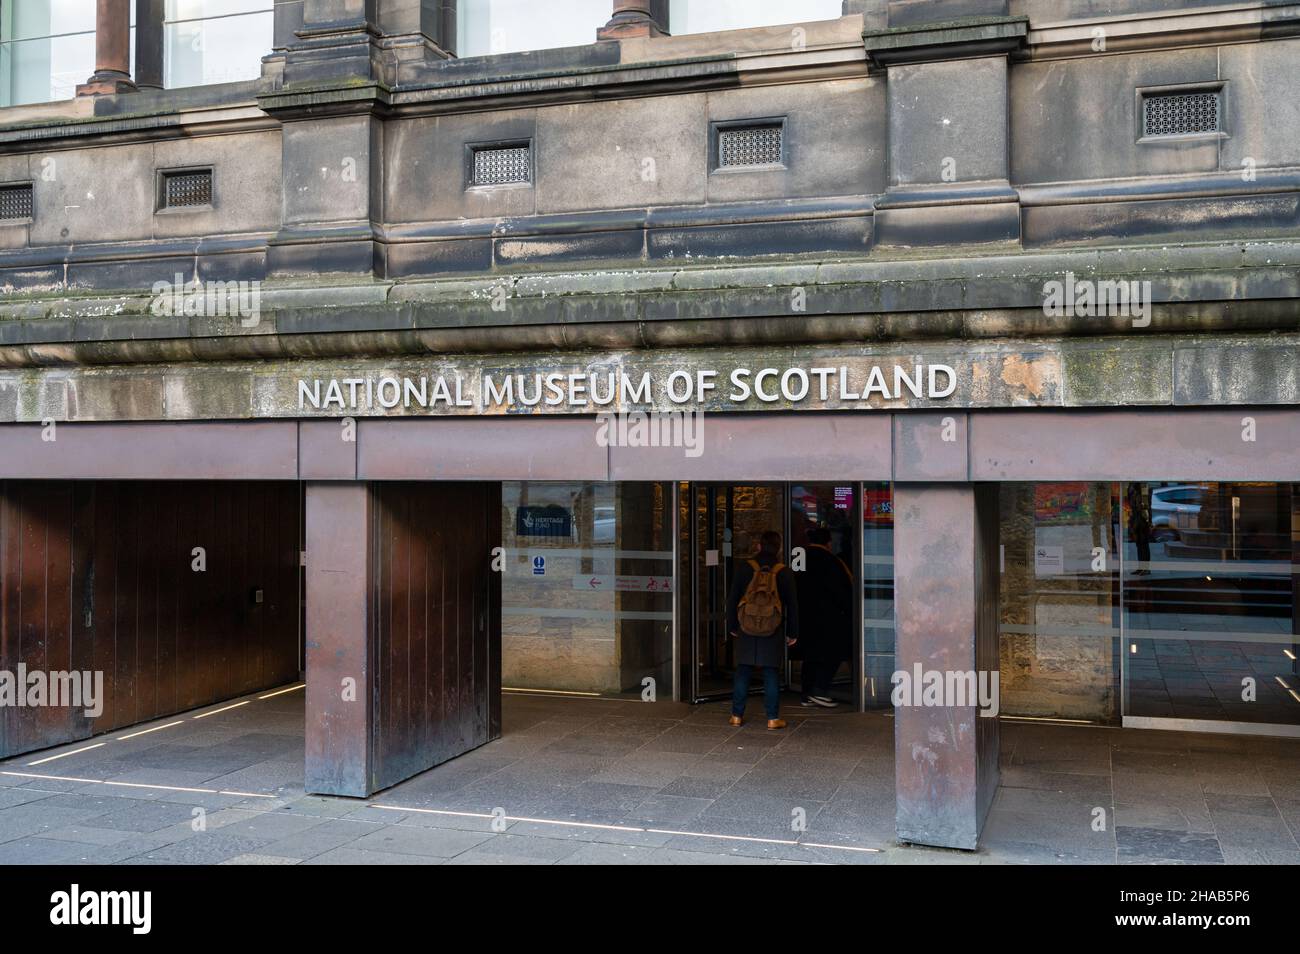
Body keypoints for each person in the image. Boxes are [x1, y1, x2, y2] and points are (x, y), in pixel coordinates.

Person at [727, 530, 799, 730]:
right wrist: (792, 632)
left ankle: (736, 715)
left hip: (746, 626)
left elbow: (733, 598)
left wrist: (732, 625)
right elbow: (792, 604)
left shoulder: (745, 568)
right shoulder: (783, 571)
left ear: (759, 546)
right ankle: (772, 718)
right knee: (770, 672)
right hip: (772, 628)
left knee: (743, 670)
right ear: (779, 548)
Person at [793, 526, 854, 708]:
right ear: (828, 543)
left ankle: (806, 692)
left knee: (809, 655)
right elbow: (842, 592)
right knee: (834, 652)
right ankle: (819, 690)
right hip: (828, 617)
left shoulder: (799, 557)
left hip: (804, 615)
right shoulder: (832, 561)